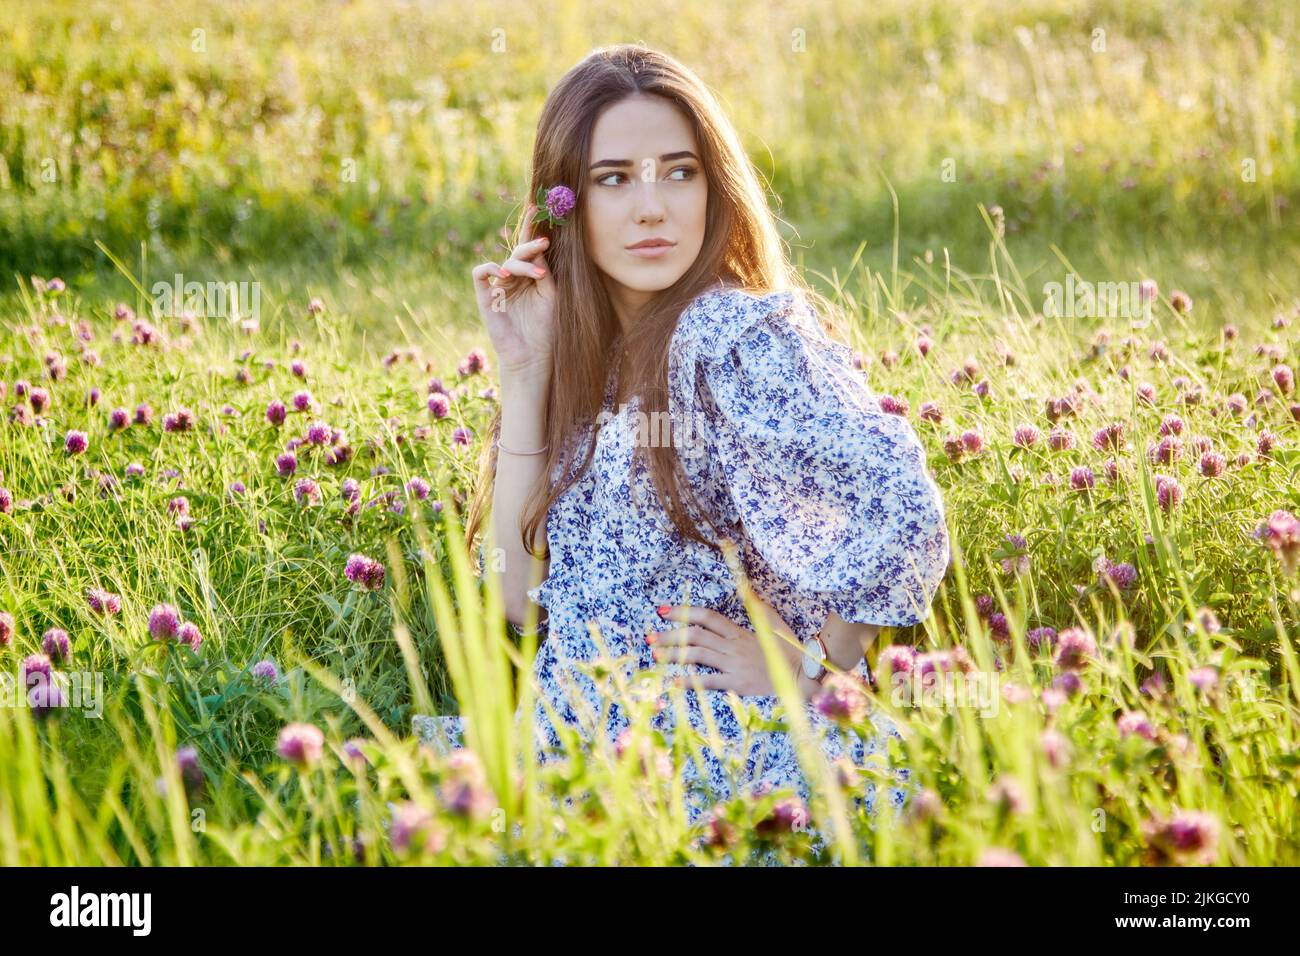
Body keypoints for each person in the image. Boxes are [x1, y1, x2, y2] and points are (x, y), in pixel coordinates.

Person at [412, 43, 950, 838]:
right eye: (614, 178)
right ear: (563, 203)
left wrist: (812, 671)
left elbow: (903, 503)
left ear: (714, 187)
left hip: (722, 748)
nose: (652, 207)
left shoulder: (734, 336)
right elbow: (520, 599)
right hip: (574, 741)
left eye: (679, 171)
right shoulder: (575, 359)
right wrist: (525, 370)